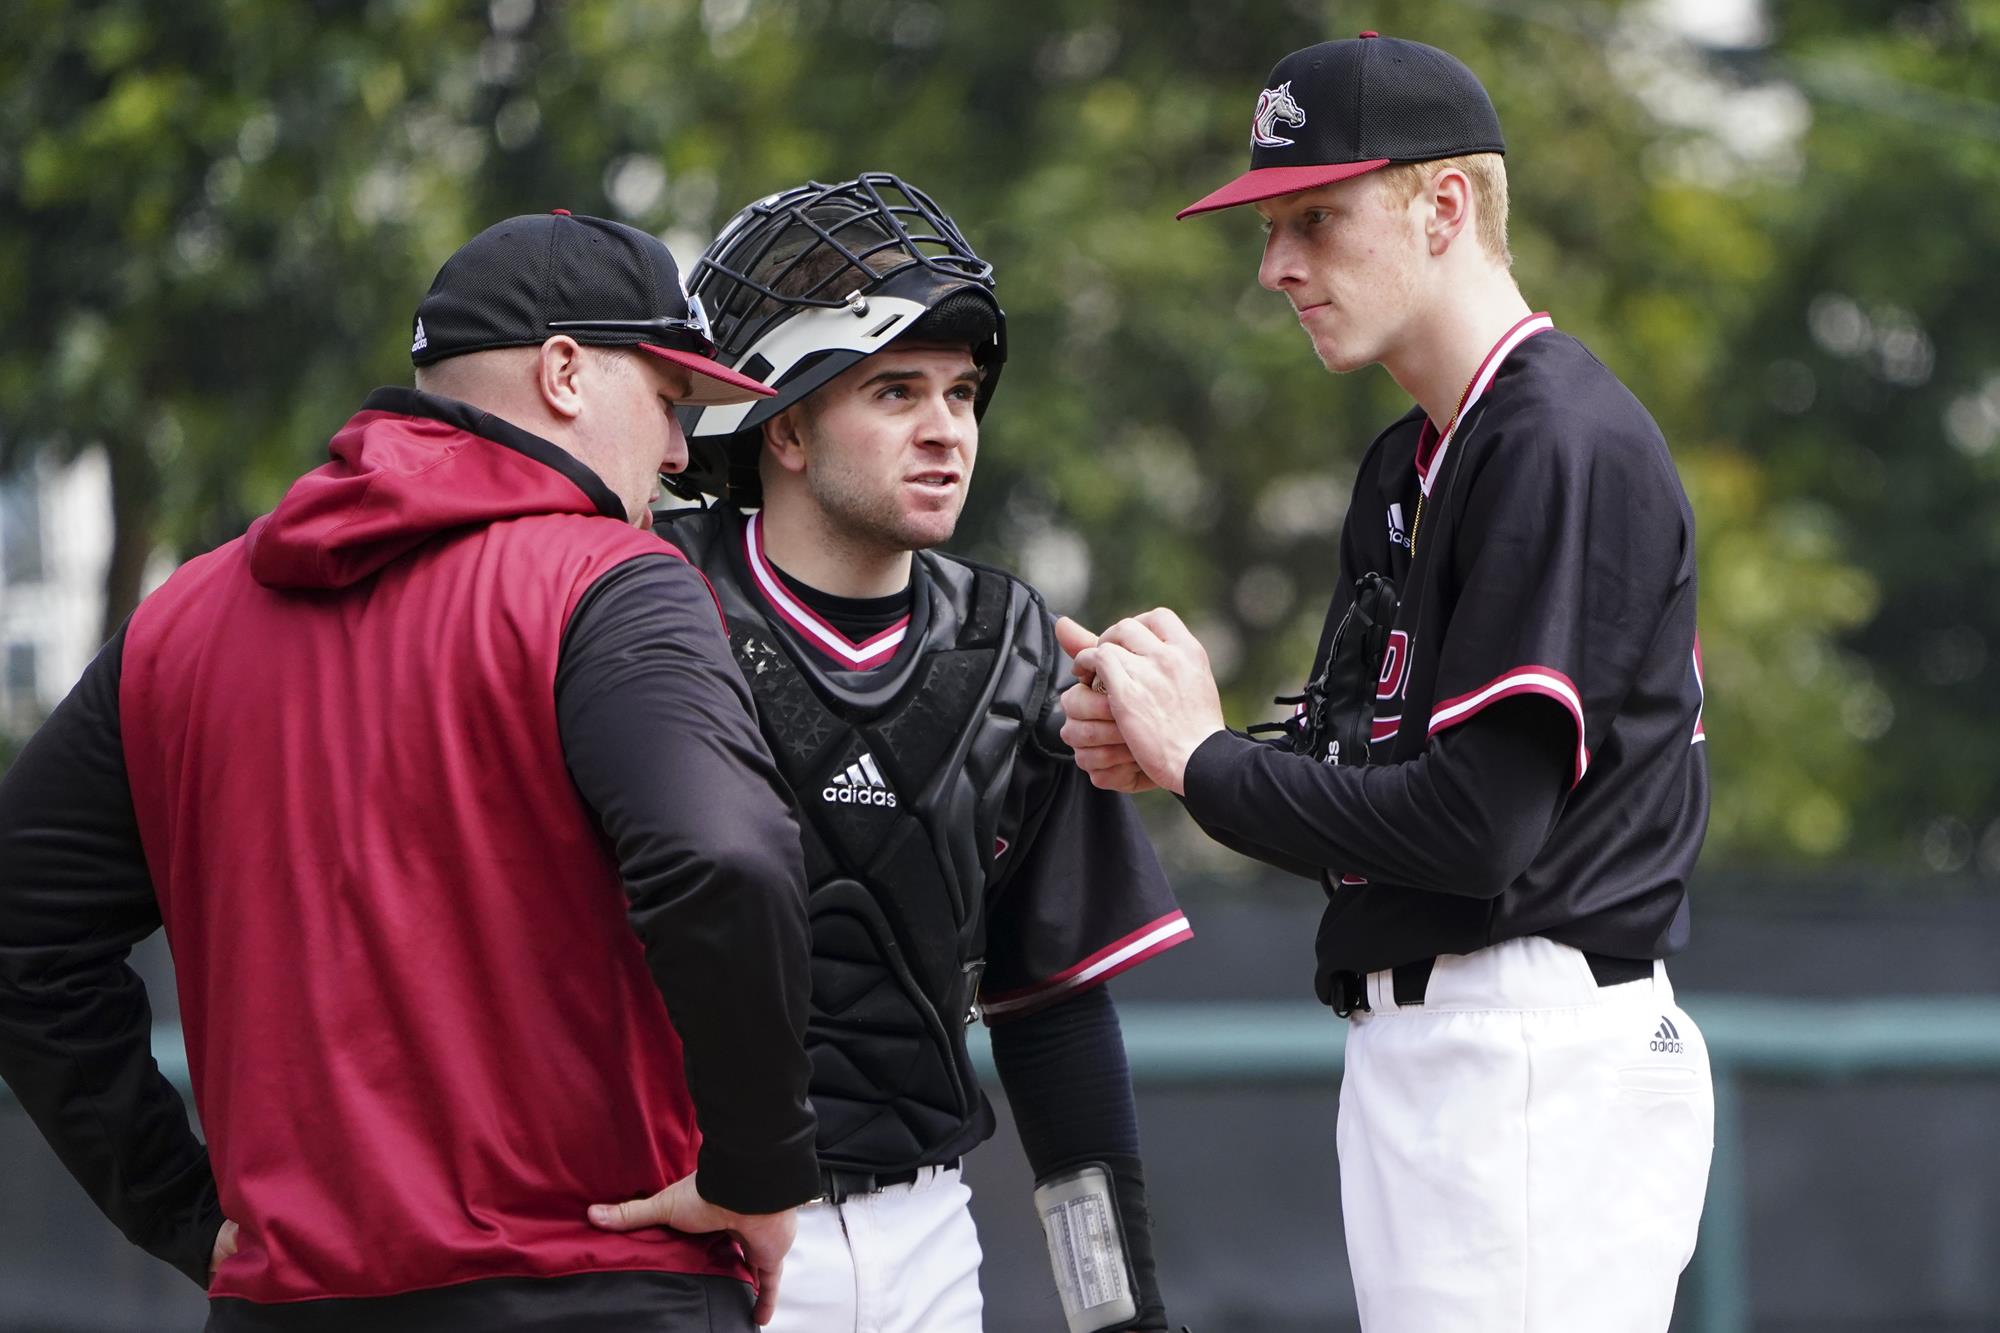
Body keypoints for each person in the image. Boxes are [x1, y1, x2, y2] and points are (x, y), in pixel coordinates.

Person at [0, 210, 825, 1330]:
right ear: (566, 372)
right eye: (670, 402)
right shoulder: (611, 581)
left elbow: (20, 934)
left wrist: (182, 1212)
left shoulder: (181, 621)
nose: (680, 453)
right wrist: (761, 1166)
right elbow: (722, 854)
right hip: (601, 1292)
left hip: (293, 1304)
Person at [1058, 34, 1714, 1333]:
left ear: (1445, 206)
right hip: (1437, 1046)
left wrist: (1205, 763)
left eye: (1317, 217)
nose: (1277, 265)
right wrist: (1168, 743)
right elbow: (1372, 775)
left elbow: (1476, 830)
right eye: (1270, 224)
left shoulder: (1553, 440)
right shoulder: (1407, 464)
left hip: (1529, 1048)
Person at [650, 172, 1192, 1333]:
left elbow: (1052, 1017)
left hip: (925, 1242)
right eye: (895, 391)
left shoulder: (1012, 649)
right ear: (782, 424)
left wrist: (1121, 1317)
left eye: (960, 392)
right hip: (680, 1236)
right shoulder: (642, 606)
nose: (946, 429)